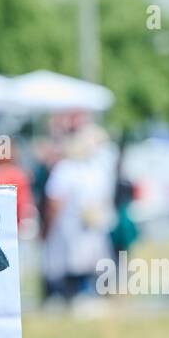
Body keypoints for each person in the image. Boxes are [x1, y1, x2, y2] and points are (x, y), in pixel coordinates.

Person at [43, 126, 114, 302]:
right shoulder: (75, 169)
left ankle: (79, 294)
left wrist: (48, 225)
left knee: (81, 262)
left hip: (83, 226)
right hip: (73, 226)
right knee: (74, 262)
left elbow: (54, 201)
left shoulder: (73, 169)